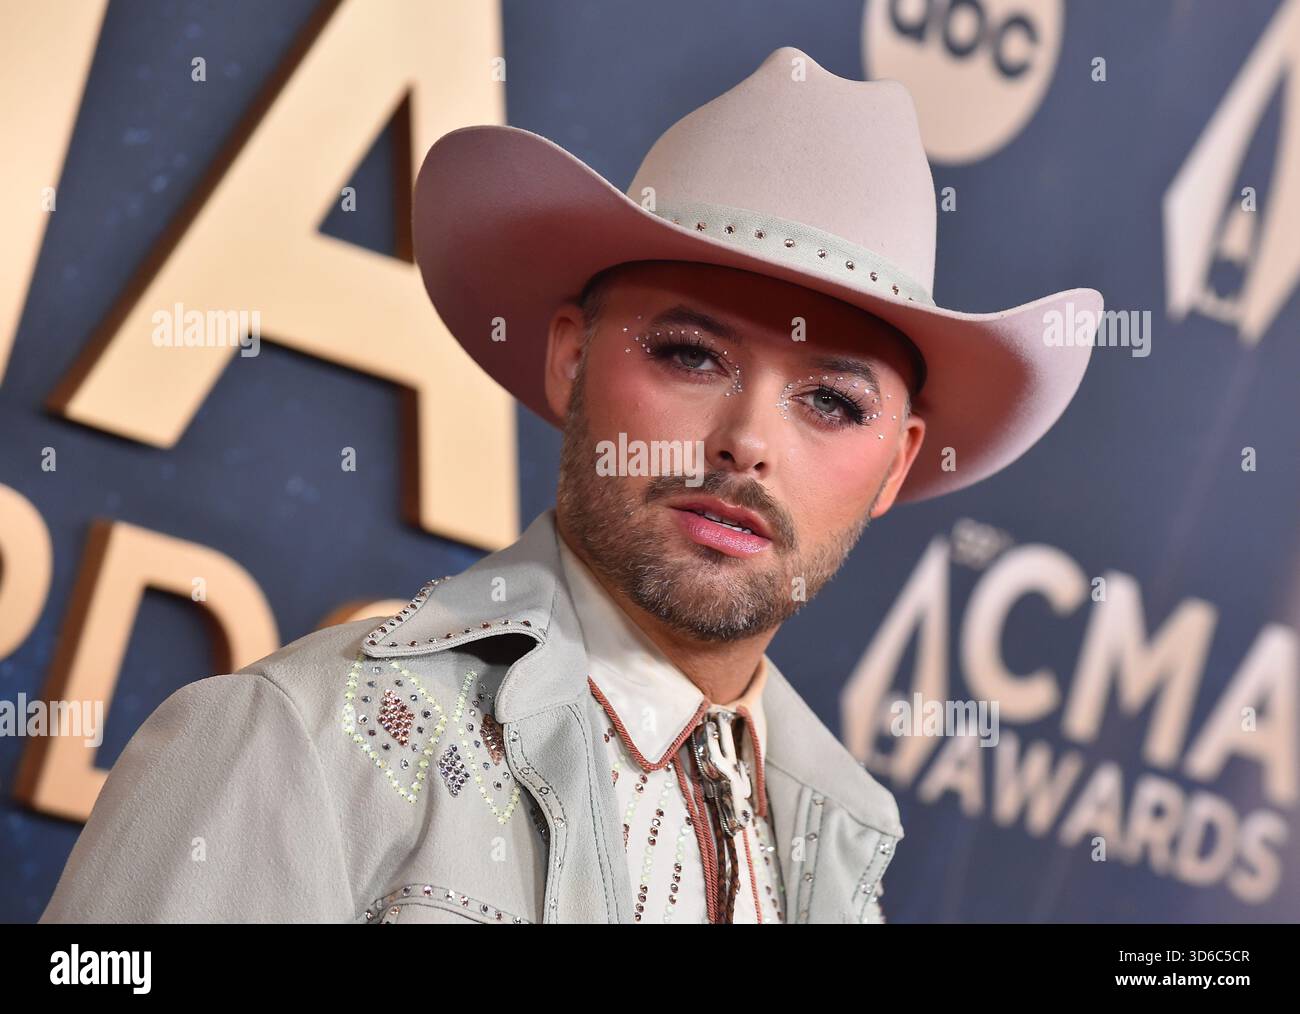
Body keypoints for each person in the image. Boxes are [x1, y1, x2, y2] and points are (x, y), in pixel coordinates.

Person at [41, 46, 1101, 924]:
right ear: (569, 360)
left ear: (897, 464)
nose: (747, 445)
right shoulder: (300, 743)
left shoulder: (840, 853)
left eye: (830, 403)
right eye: (692, 354)